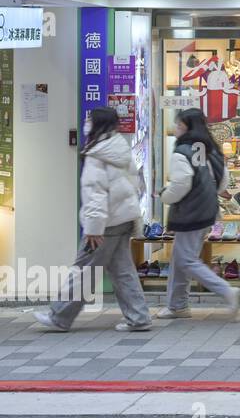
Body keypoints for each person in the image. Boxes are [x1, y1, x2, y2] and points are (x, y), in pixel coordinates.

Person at [34, 107, 152, 333]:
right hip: (123, 218)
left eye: (89, 119)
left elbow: (95, 194)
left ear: (98, 124)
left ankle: (59, 317)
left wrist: (93, 228)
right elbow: (133, 184)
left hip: (105, 224)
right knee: (122, 270)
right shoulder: (119, 147)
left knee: (83, 270)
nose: (86, 122)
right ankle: (139, 317)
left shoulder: (97, 155)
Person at [149, 109, 240, 320]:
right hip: (208, 209)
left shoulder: (182, 152)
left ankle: (226, 291)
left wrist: (165, 196)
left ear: (188, 127)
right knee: (181, 258)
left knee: (186, 259)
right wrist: (208, 193)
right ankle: (177, 305)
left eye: (179, 125)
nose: (176, 129)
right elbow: (223, 180)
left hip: (191, 212)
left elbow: (181, 183)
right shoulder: (212, 149)